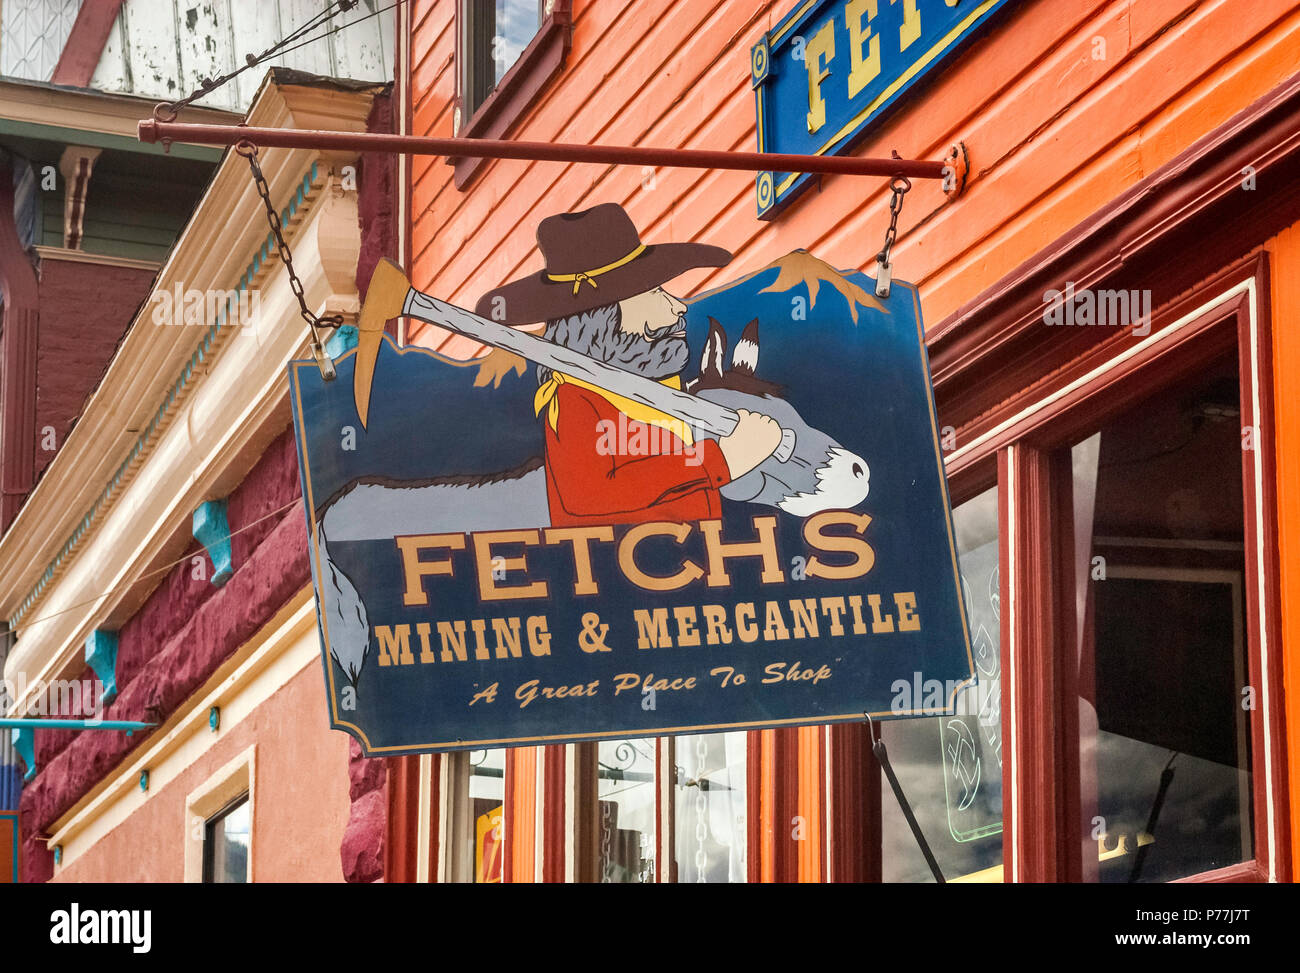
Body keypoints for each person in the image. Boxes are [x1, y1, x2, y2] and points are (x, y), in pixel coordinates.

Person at [476, 203, 781, 527]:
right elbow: (589, 493)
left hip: (696, 567)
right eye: (654, 293)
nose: (677, 307)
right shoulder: (573, 399)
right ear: (603, 317)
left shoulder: (665, 390)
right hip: (626, 567)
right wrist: (723, 460)